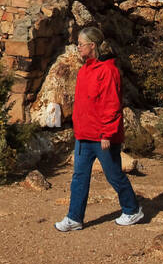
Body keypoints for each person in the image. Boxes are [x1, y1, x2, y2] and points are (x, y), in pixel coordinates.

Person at [55, 26, 144, 232]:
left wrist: (107, 134)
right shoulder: (84, 70)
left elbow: (111, 105)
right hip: (84, 136)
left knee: (114, 176)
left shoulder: (108, 71)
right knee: (79, 176)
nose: (78, 47)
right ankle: (74, 218)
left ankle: (132, 210)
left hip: (103, 137)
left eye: (81, 44)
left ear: (92, 46)